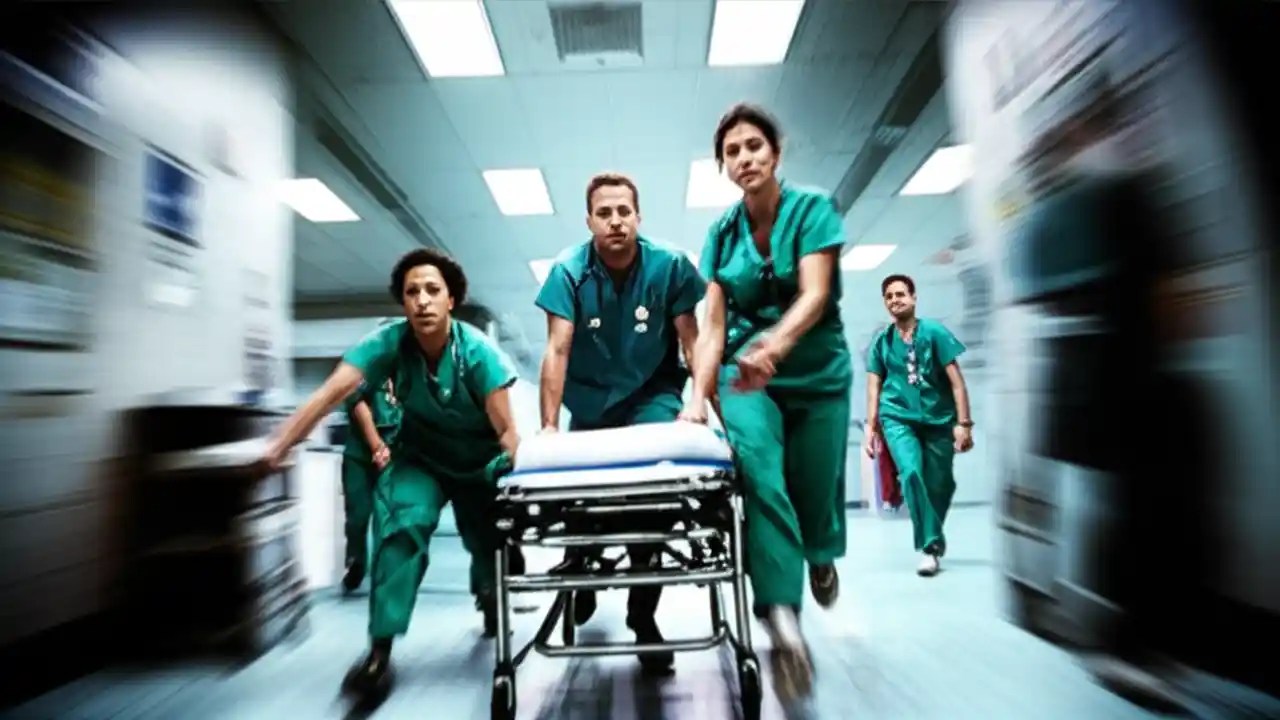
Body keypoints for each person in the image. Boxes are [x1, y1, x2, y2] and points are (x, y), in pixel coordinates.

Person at [260, 248, 520, 694]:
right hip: (420, 458)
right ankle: (379, 652)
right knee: (400, 529)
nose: (422, 300)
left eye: (432, 291)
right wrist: (278, 446)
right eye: (411, 292)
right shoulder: (389, 343)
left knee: (486, 542)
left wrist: (521, 478)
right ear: (403, 303)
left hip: (478, 465)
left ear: (451, 300)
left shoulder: (479, 354)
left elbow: (507, 431)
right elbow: (330, 393)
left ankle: (490, 598)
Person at [685, 102, 850, 700]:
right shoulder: (721, 234)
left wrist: (774, 347)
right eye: (732, 151)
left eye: (754, 146)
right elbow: (713, 325)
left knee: (813, 488)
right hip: (746, 377)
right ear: (723, 165)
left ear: (775, 154)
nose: (744, 157)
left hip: (816, 369)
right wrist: (699, 398)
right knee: (760, 478)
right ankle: (782, 619)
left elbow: (814, 294)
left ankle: (821, 553)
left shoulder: (812, 208)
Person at [535, 172, 705, 676]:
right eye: (604, 213)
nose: (615, 221)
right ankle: (582, 575)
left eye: (623, 211)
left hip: (651, 394)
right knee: (581, 502)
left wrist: (701, 406)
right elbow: (557, 348)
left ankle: (643, 616)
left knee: (653, 501)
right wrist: (548, 427)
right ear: (589, 221)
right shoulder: (568, 272)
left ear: (638, 216)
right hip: (589, 403)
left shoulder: (670, 265)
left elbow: (692, 342)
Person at [864, 274, 974, 576]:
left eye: (900, 294)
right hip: (897, 417)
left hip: (939, 420)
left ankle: (931, 537)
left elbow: (957, 383)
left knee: (941, 484)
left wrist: (964, 423)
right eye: (888, 296)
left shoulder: (935, 333)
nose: (895, 300)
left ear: (913, 298)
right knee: (911, 472)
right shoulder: (881, 342)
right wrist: (871, 427)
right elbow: (874, 386)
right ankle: (929, 547)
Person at [339, 376, 401, 593]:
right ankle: (356, 562)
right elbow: (357, 401)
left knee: (387, 516)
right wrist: (376, 445)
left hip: (395, 450)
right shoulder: (369, 362)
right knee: (358, 516)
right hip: (360, 453)